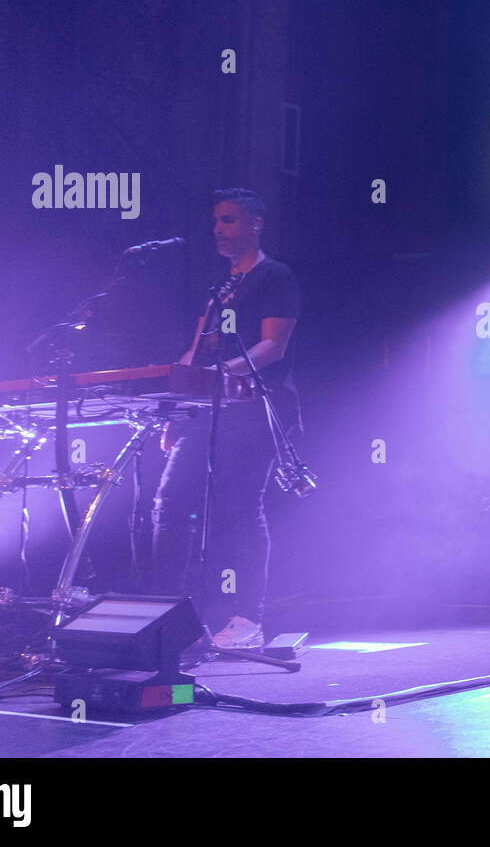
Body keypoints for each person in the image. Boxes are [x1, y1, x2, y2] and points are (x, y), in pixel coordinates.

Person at [151, 188, 300, 649]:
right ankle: (164, 614)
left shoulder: (275, 276)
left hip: (255, 408)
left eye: (230, 220)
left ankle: (247, 619)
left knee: (239, 510)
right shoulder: (219, 288)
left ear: (256, 223)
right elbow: (197, 351)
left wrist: (220, 374)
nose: (218, 227)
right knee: (171, 503)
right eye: (216, 220)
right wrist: (176, 404)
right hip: (205, 410)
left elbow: (272, 346)